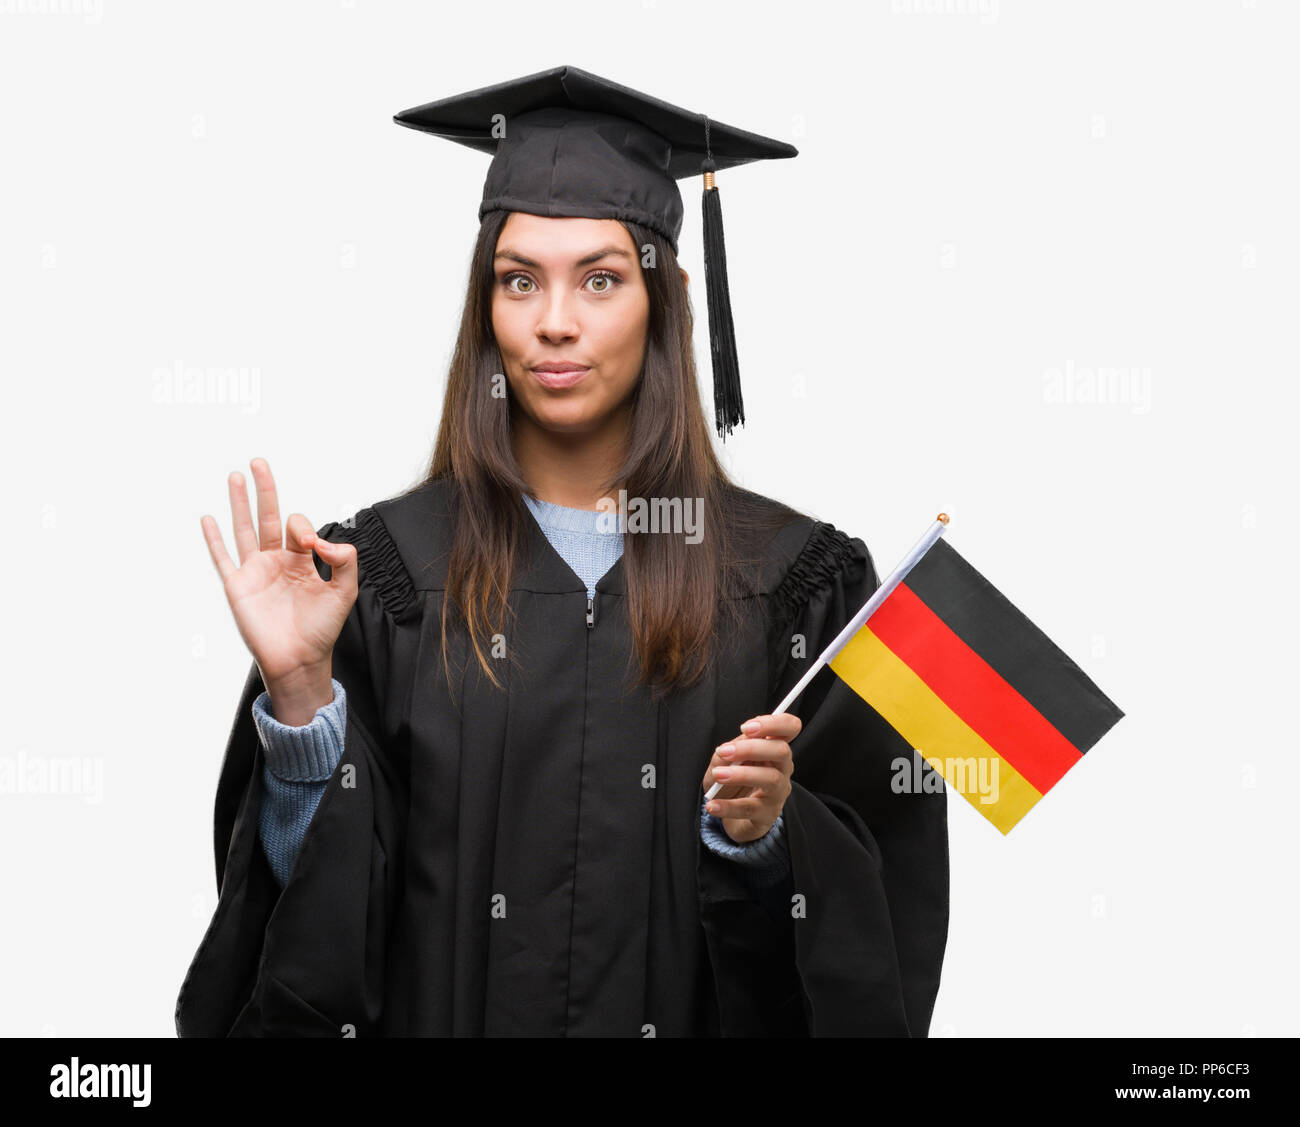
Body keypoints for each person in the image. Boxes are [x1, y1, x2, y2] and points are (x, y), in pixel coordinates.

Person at [176, 65, 949, 1037]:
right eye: (518, 278)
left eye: (600, 278)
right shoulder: (377, 580)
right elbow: (305, 957)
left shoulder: (800, 582)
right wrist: (301, 706)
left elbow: (887, 900)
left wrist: (767, 841)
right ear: (485, 308)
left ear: (663, 300)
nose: (554, 319)